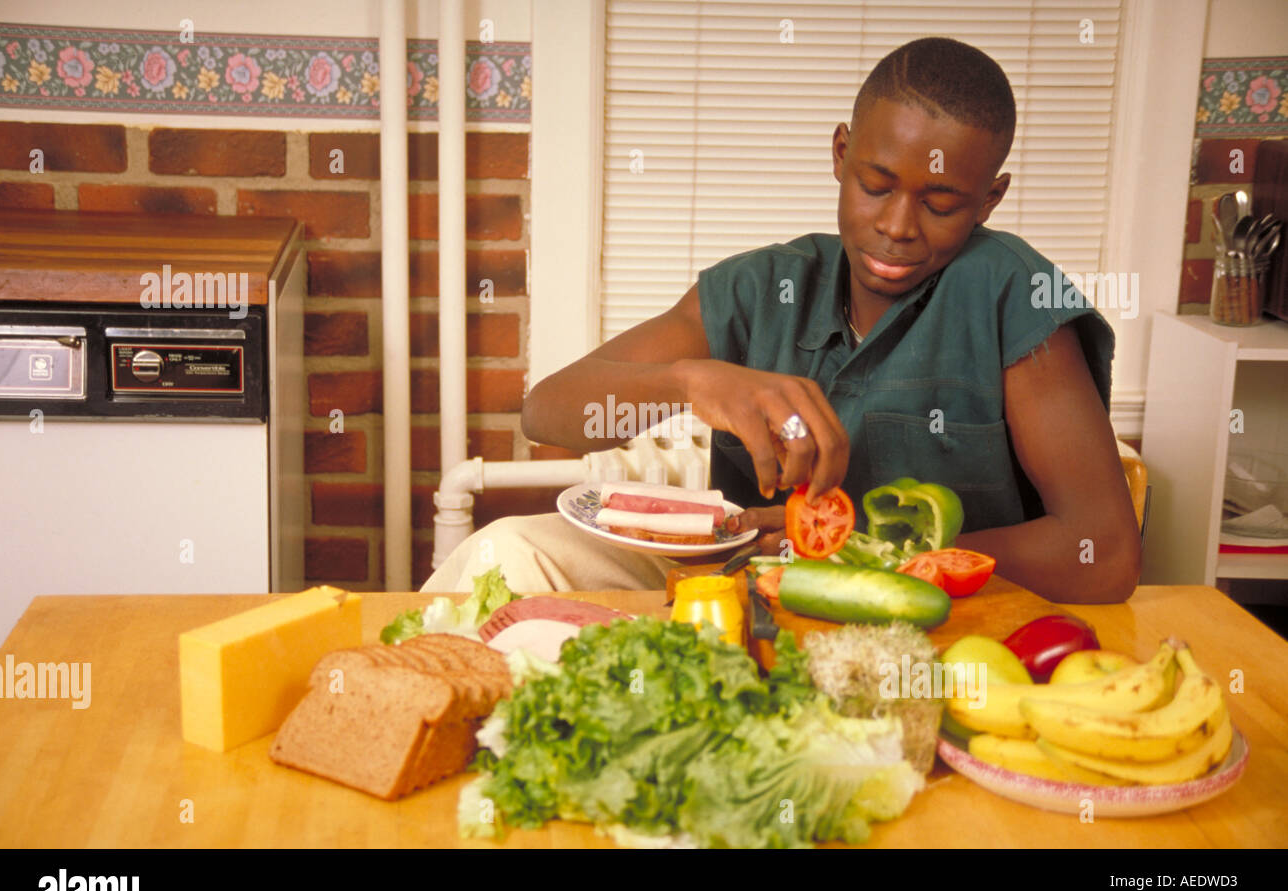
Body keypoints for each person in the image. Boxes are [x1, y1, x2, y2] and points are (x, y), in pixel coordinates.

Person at [425, 36, 1141, 604]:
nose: (897, 225)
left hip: (944, 627)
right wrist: (694, 381)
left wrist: (877, 548)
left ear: (990, 198)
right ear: (840, 153)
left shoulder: (1008, 289)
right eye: (875, 184)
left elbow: (1104, 554)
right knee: (507, 551)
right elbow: (546, 410)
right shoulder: (765, 287)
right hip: (753, 608)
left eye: (942, 203)